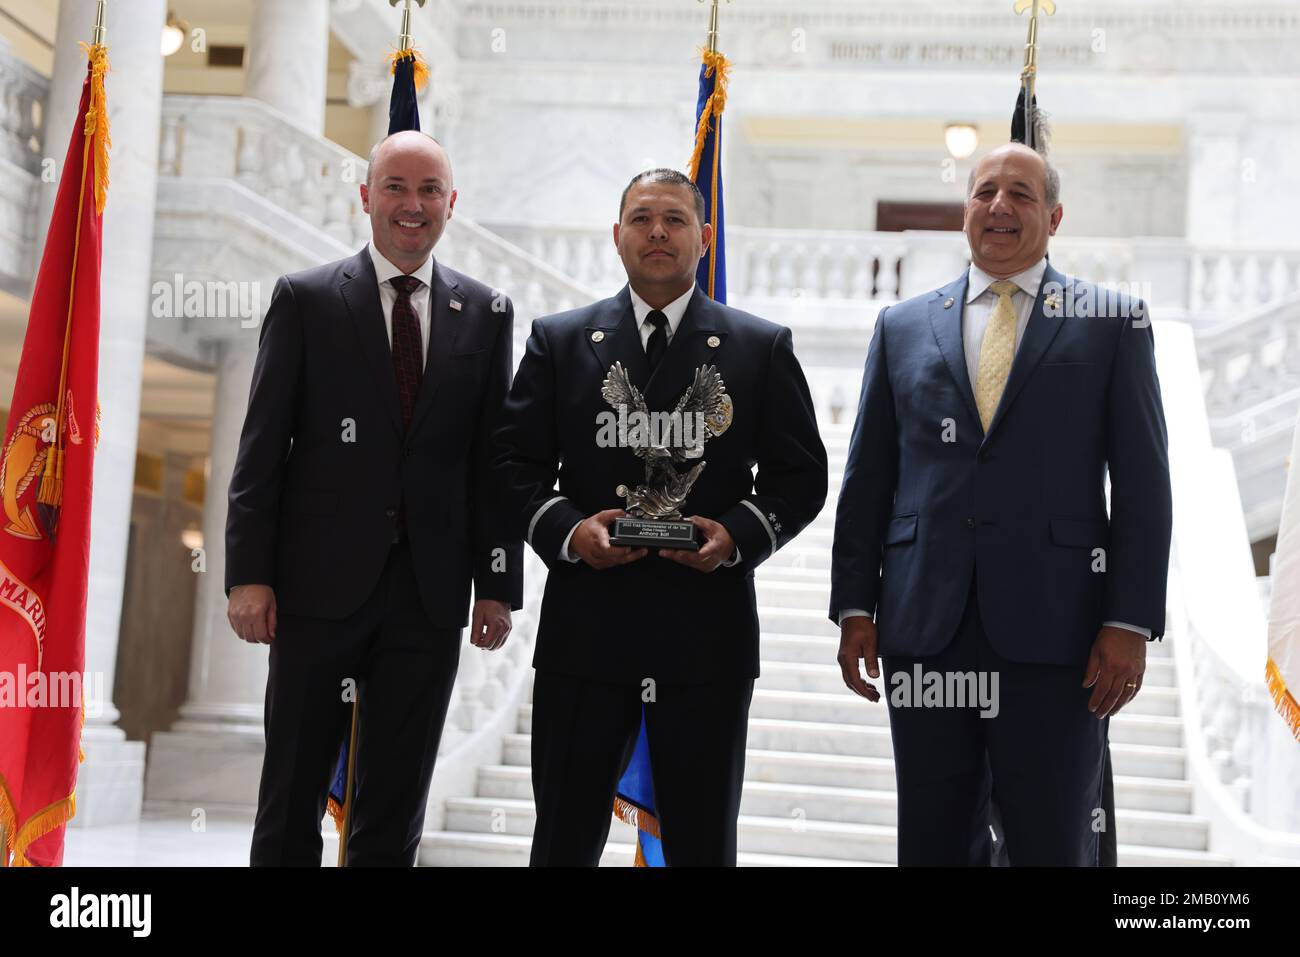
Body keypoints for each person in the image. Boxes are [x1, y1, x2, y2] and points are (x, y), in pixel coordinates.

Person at [829, 142, 1172, 866]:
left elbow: (1144, 484)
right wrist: (855, 604)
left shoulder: (1112, 323)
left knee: (1051, 841)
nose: (999, 206)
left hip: (1061, 639)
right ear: (966, 210)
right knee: (932, 840)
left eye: (1020, 193)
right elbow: (869, 476)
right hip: (926, 630)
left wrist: (1130, 617)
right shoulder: (901, 327)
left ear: (1053, 214)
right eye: (985, 191)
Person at [497, 168, 828, 866]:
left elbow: (802, 477)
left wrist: (736, 534)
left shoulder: (758, 347)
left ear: (705, 237)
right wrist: (569, 530)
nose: (657, 231)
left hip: (703, 636)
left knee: (702, 843)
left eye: (675, 219)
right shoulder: (559, 342)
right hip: (587, 632)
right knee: (562, 839)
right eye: (642, 217)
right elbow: (512, 468)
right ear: (616, 235)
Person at [225, 130, 523, 866]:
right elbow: (262, 447)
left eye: (428, 190)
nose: (411, 205)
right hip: (315, 594)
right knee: (290, 794)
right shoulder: (306, 299)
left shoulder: (486, 314)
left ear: (451, 205)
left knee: (393, 805)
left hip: (428, 598)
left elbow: (495, 463)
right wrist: (247, 573)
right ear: (365, 196)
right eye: (395, 186)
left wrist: (498, 585)